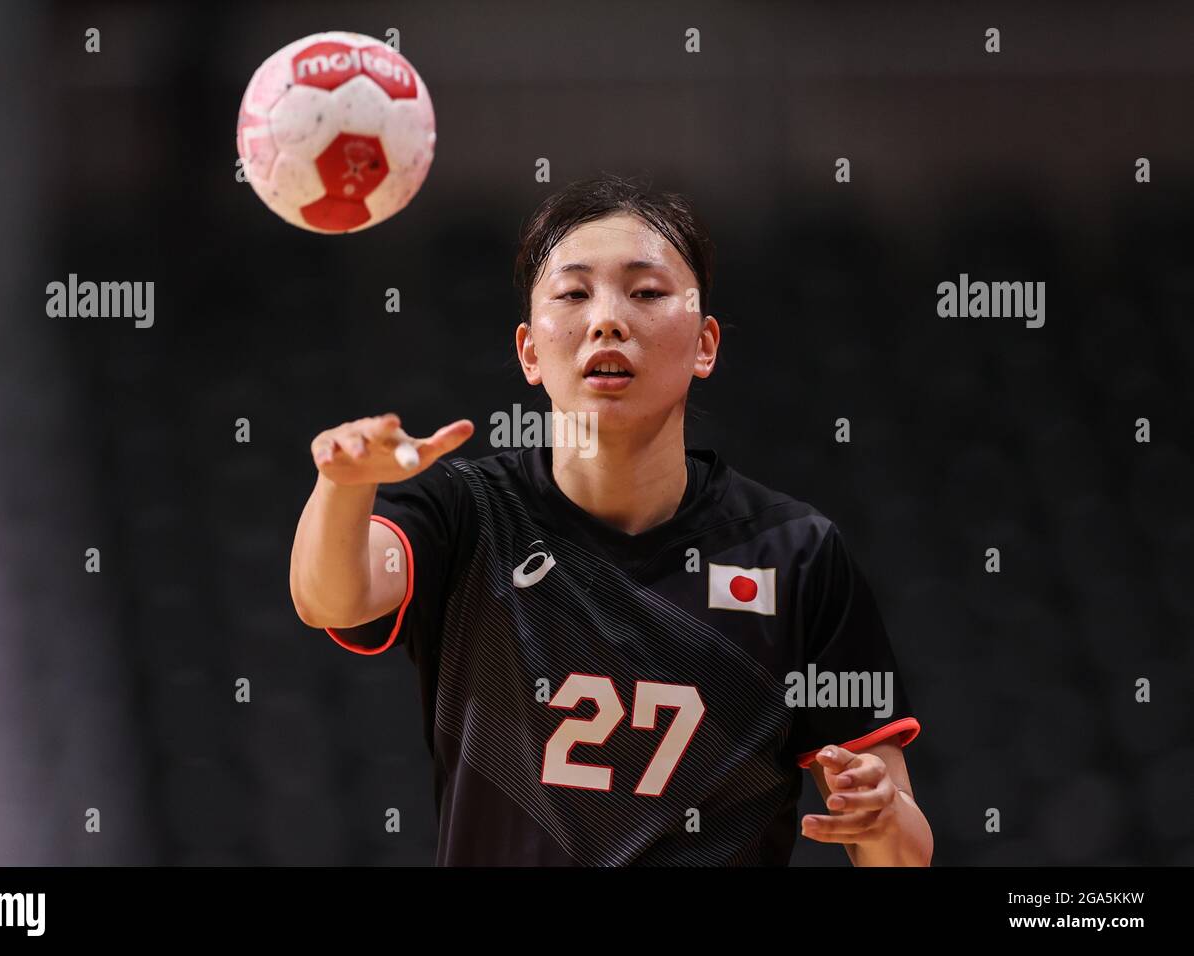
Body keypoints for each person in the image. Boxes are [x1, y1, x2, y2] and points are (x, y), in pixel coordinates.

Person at [289, 173, 932, 865]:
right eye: (572, 293)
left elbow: (902, 853)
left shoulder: (796, 553)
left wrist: (882, 818)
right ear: (530, 352)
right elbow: (331, 597)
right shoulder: (464, 510)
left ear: (706, 344)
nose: (607, 320)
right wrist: (342, 487)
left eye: (647, 292)